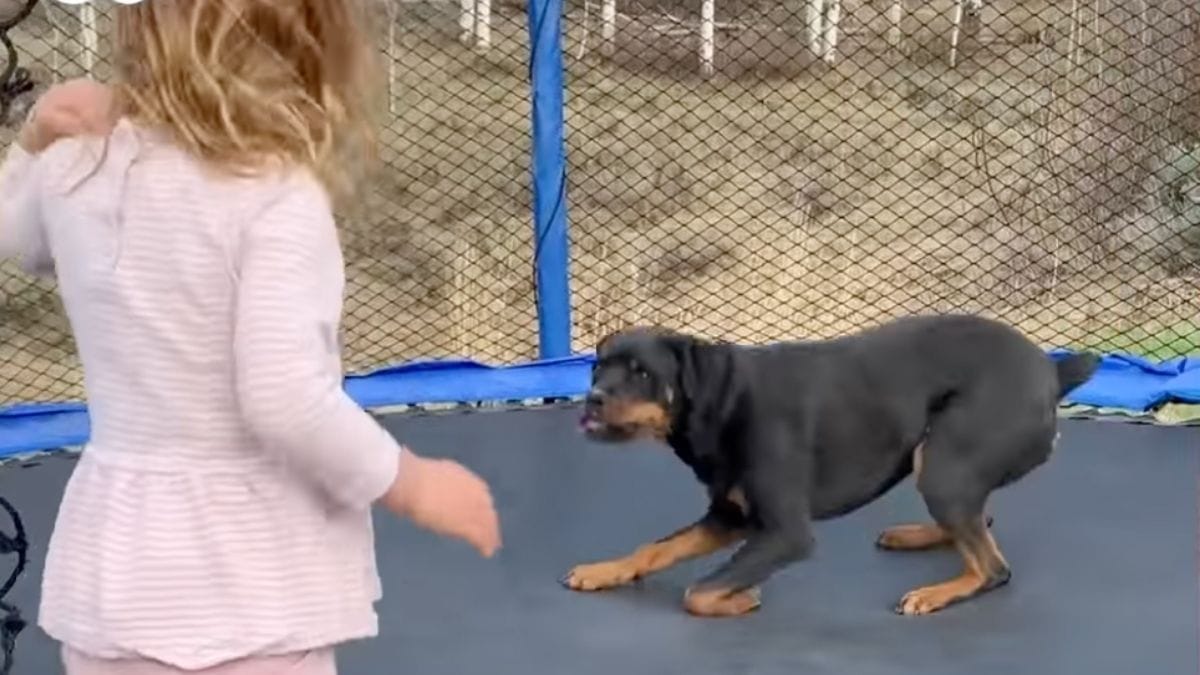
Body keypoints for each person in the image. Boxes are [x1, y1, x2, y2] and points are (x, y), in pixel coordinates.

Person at [0, 1, 502, 673]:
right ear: (308, 54)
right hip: (253, 589)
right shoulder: (276, 196)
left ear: (139, 28)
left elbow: (19, 238)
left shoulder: (75, 168)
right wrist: (411, 481)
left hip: (114, 581)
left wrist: (34, 137)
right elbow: (285, 399)